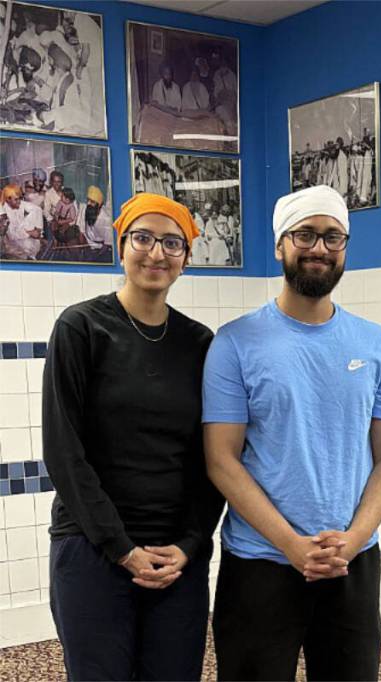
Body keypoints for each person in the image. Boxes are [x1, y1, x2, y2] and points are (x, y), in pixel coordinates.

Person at [203, 185, 381, 681]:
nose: (319, 247)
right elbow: (221, 460)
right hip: (261, 561)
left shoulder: (376, 345)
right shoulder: (235, 343)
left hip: (350, 561)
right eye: (305, 235)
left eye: (332, 237)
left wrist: (354, 539)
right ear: (280, 245)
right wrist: (291, 544)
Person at [43, 193, 224, 681]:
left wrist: (190, 543)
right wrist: (121, 547)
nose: (156, 253)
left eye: (172, 243)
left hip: (175, 558)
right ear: (120, 246)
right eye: (143, 238)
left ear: (186, 258)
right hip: (92, 549)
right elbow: (63, 451)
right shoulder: (81, 328)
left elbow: (213, 458)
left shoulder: (200, 344)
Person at [0, 183, 43, 259]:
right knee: (29, 245)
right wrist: (29, 233)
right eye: (16, 199)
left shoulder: (18, 203)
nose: (19, 201)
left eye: (20, 198)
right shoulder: (3, 212)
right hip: (13, 241)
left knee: (34, 212)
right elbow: (12, 236)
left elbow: (37, 209)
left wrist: (38, 229)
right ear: (8, 200)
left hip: (24, 234)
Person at [78, 185, 113, 262]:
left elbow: (107, 245)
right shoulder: (85, 209)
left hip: (100, 250)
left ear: (99, 205)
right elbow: (81, 232)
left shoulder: (106, 219)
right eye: (88, 200)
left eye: (92, 202)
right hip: (86, 245)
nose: (88, 203)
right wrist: (84, 250)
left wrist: (95, 256)